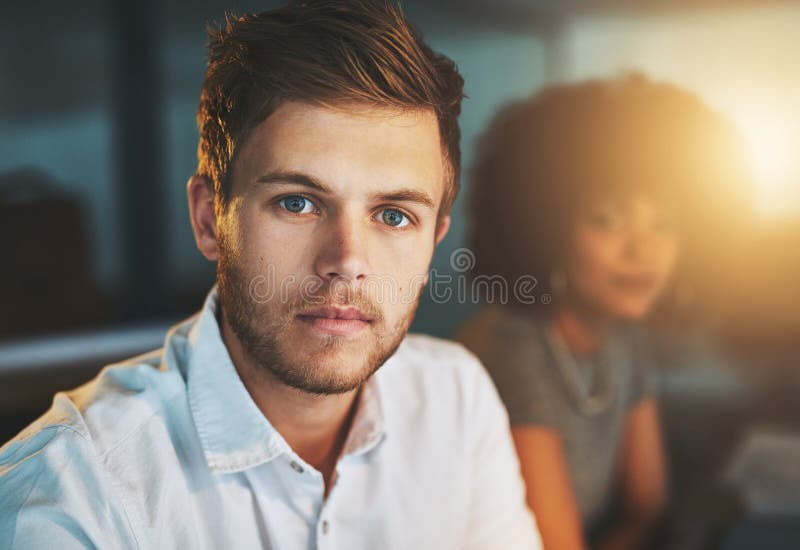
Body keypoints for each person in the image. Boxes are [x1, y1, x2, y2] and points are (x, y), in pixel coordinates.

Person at [0, 2, 541, 548]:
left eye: (394, 215)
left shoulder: (455, 398)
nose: (348, 260)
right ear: (210, 219)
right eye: (298, 203)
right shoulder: (75, 495)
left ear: (433, 243)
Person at [457, 74, 751, 550]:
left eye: (665, 223)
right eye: (608, 220)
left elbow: (646, 511)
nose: (644, 248)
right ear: (545, 225)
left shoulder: (624, 340)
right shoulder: (510, 349)